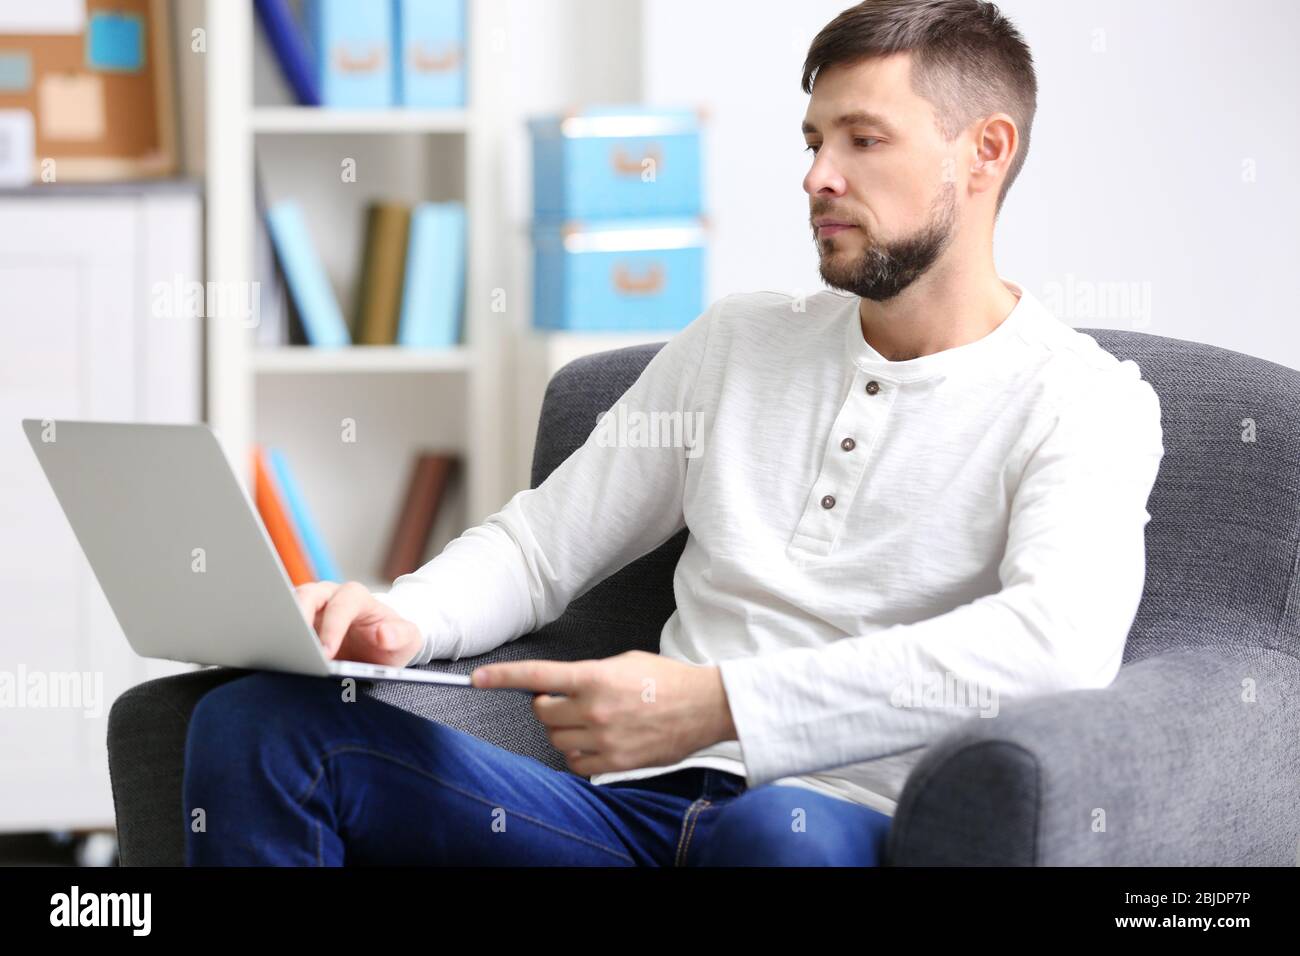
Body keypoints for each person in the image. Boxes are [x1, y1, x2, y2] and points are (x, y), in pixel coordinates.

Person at [184, 0, 1164, 866]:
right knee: (257, 723)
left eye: (862, 139)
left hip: (830, 823)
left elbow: (1055, 645)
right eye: (813, 138)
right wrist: (403, 617)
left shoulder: (1084, 400)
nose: (817, 176)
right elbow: (535, 552)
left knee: (774, 833)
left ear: (984, 150)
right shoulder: (740, 340)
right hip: (621, 815)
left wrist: (724, 704)